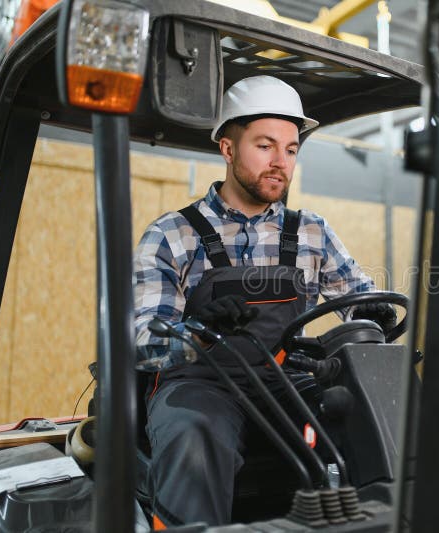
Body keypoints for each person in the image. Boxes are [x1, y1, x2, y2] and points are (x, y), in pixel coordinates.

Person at [132, 75, 396, 527]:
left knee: (365, 414)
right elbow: (145, 341)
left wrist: (371, 309)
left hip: (285, 375)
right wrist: (195, 330)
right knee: (194, 436)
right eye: (265, 146)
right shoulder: (172, 234)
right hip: (202, 380)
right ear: (228, 148)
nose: (280, 162)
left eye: (291, 149)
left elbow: (357, 296)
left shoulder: (311, 232)